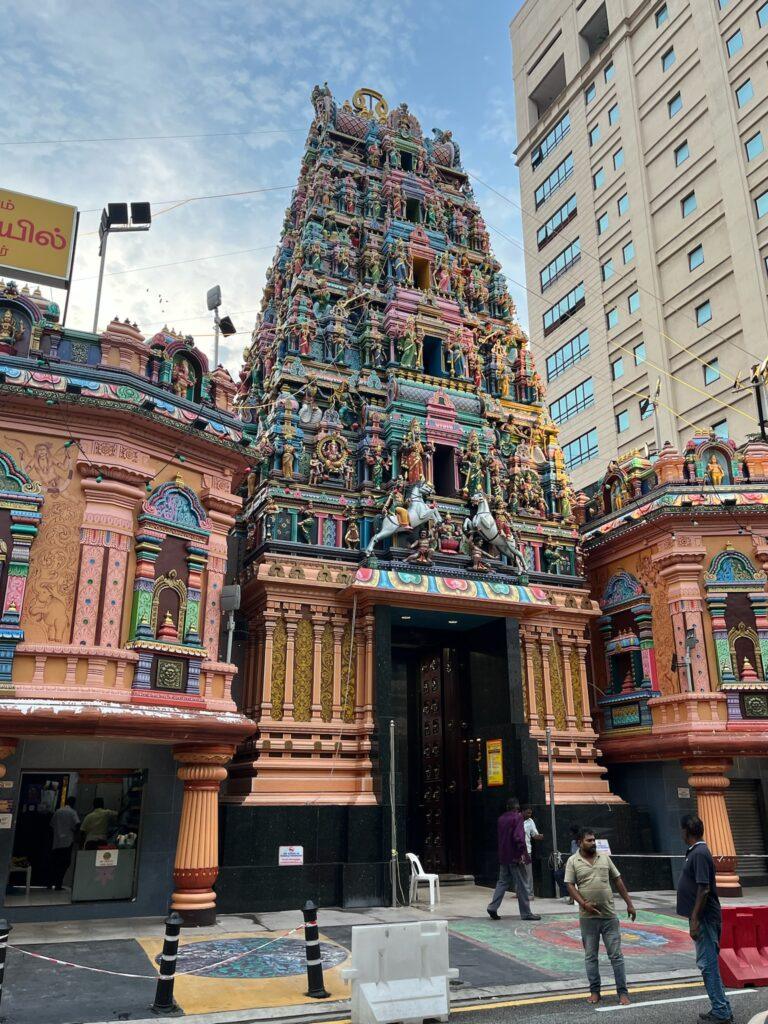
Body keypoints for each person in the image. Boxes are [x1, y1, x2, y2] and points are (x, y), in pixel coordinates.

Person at [565, 828, 636, 1006]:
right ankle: (595, 992)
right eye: (589, 840)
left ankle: (623, 993)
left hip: (609, 916)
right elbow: (570, 885)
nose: (593, 843)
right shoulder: (573, 861)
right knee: (591, 956)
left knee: (616, 956)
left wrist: (629, 903)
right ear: (580, 842)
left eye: (594, 840)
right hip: (587, 918)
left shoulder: (604, 858)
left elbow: (617, 879)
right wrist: (584, 904)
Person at [677, 815, 733, 1023]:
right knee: (708, 964)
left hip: (705, 919)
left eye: (681, 830)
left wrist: (694, 919)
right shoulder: (696, 852)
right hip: (705, 918)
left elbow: (704, 889)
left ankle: (720, 1011)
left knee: (707, 965)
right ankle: (722, 1008)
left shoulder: (699, 853)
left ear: (686, 831)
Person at [486, 797, 541, 922]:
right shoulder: (517, 818)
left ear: (507, 807)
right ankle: (526, 913)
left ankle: (493, 907)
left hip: (503, 855)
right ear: (517, 808)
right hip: (516, 856)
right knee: (522, 884)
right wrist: (521, 854)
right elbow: (519, 837)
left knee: (502, 882)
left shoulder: (501, 819)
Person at [49, 796, 79, 890]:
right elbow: (77, 823)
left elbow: (51, 825)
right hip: (67, 841)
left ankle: (50, 883)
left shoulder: (58, 811)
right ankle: (58, 884)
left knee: (55, 863)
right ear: (73, 803)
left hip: (56, 842)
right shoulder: (72, 812)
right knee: (65, 863)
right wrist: (76, 833)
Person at [522, 806, 542, 899]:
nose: (529, 815)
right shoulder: (516, 819)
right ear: (522, 812)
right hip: (516, 850)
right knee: (518, 872)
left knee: (528, 873)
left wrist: (540, 836)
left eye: (530, 813)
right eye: (528, 813)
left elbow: (534, 834)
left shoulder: (530, 821)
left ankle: (530, 894)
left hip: (527, 850)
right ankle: (519, 892)